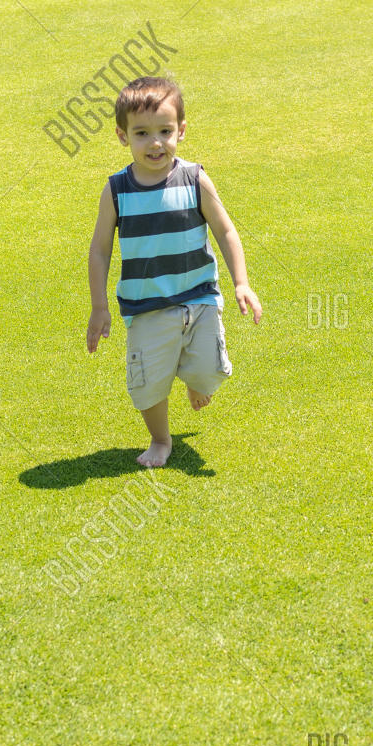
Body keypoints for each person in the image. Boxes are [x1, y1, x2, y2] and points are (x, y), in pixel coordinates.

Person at [86, 76, 262, 467]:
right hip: (145, 306)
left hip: (198, 296)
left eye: (165, 131)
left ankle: (195, 379)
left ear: (181, 130)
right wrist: (99, 308)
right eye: (142, 133)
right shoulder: (117, 190)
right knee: (147, 385)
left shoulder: (195, 179)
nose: (155, 143)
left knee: (210, 372)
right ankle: (161, 440)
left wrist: (241, 282)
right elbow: (99, 251)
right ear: (122, 136)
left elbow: (226, 230)